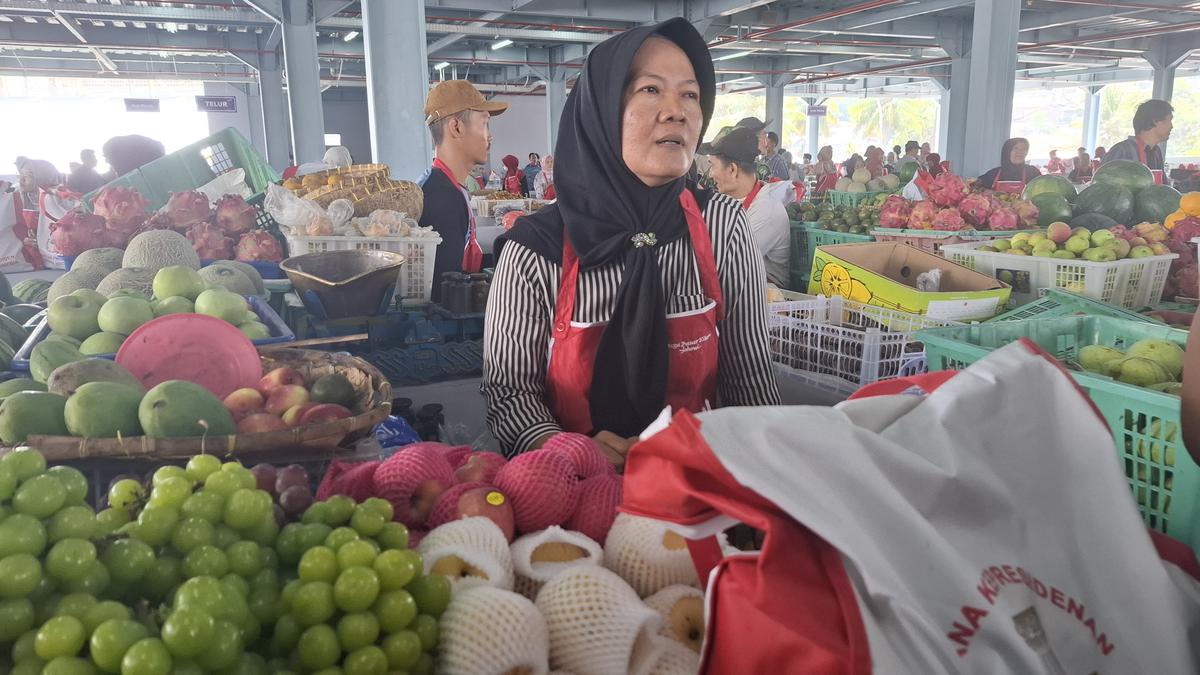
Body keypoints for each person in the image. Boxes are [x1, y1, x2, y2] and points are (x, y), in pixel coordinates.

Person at [482, 18, 780, 461]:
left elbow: (750, 380)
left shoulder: (722, 226)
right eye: (651, 90)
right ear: (603, 108)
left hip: (695, 490)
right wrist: (568, 450)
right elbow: (508, 393)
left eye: (691, 94)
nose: (676, 110)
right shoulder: (536, 248)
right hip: (570, 497)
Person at [418, 79, 509, 302]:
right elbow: (448, 289)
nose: (489, 136)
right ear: (456, 127)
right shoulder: (441, 197)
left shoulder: (446, 185)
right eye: (483, 123)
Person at [699, 126, 789, 287]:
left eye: (712, 165)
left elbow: (727, 265)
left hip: (765, 297)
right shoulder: (728, 200)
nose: (710, 174)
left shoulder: (766, 211)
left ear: (732, 169)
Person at [1104, 99, 1173, 172]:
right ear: (1155, 120)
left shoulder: (1156, 152)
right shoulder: (1121, 151)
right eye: (1169, 120)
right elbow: (1101, 180)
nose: (1171, 126)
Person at [978, 137, 1042, 192]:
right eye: (1015, 148)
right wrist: (988, 192)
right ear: (1007, 151)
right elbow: (975, 187)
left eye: (1023, 149)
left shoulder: (1033, 172)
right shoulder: (994, 173)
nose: (1020, 152)